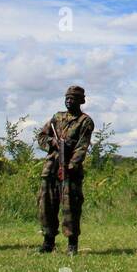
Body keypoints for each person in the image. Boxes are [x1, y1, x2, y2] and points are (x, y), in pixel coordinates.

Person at [35, 85, 94, 255]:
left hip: (70, 171)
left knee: (71, 207)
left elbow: (82, 147)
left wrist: (70, 166)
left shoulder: (85, 121)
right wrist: (52, 143)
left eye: (73, 98)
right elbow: (42, 136)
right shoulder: (57, 117)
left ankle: (72, 244)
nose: (69, 101)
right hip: (50, 169)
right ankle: (48, 241)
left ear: (81, 100)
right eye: (67, 98)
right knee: (46, 205)